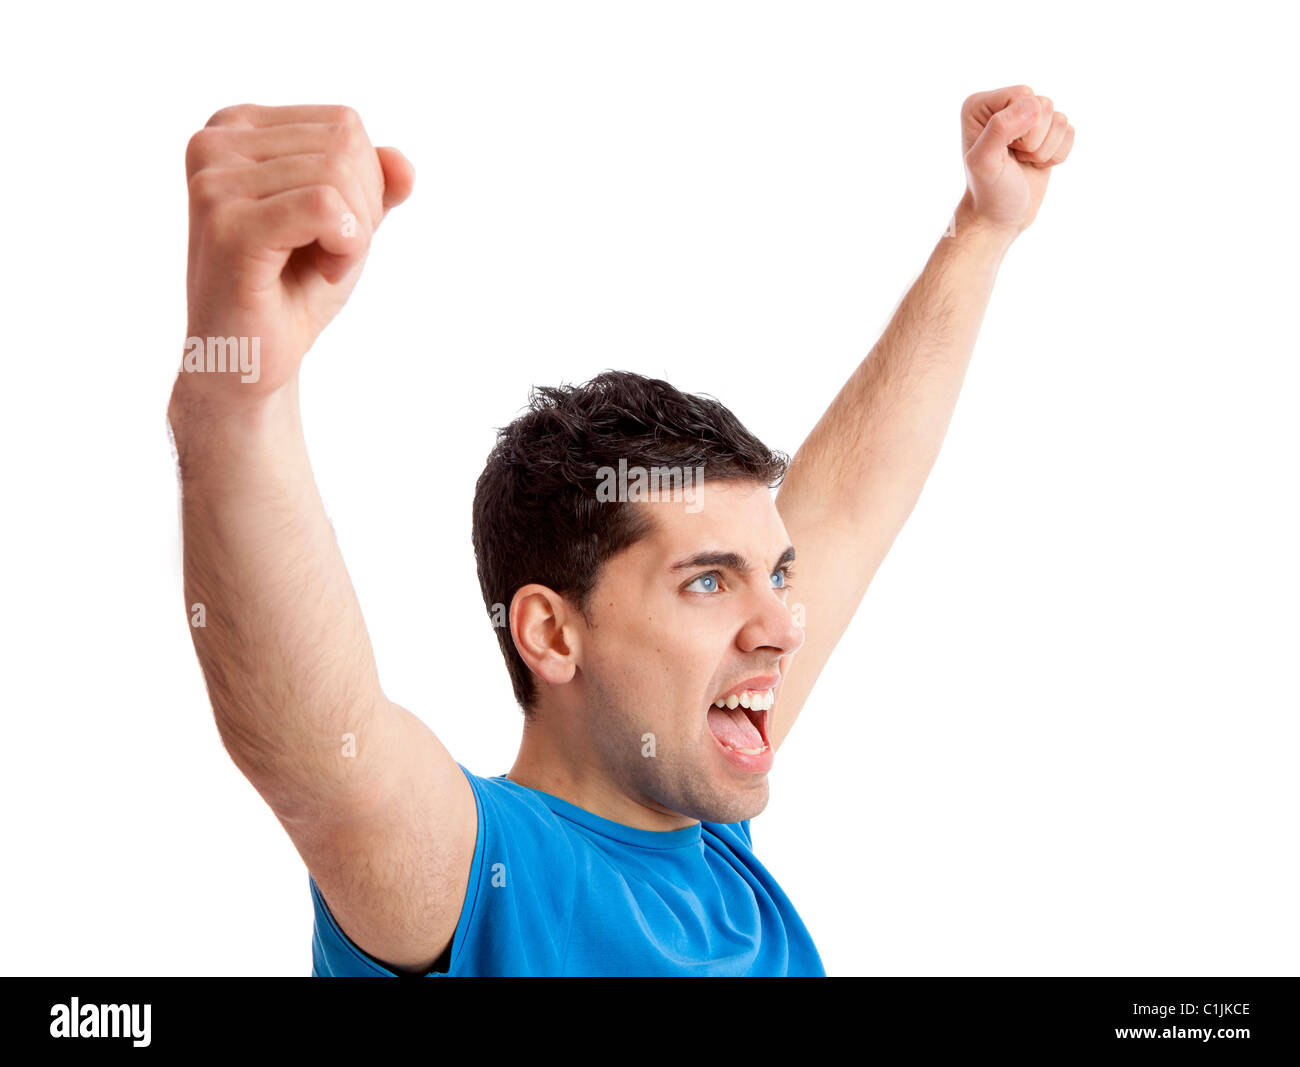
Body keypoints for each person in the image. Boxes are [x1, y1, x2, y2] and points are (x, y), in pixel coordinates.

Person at [168, 88, 1073, 976]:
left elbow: (852, 499)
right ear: (554, 634)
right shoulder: (490, 878)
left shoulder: (709, 834)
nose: (784, 624)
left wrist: (982, 230)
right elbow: (326, 759)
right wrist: (237, 405)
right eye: (710, 582)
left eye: (777, 575)